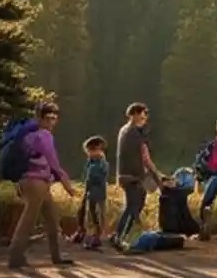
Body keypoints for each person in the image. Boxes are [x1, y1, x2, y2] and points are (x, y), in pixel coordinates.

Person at [7, 102, 77, 269]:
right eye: (48, 118)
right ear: (40, 117)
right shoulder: (43, 136)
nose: (52, 122)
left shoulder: (28, 135)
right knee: (29, 219)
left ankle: (57, 256)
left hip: (36, 182)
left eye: (54, 118)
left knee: (52, 219)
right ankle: (15, 257)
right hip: (35, 182)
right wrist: (67, 185)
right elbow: (53, 163)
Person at [113, 102, 168, 249]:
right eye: (143, 113)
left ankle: (122, 235)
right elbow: (145, 158)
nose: (145, 117)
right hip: (132, 177)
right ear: (135, 115)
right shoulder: (135, 133)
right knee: (133, 207)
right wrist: (158, 177)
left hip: (126, 175)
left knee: (135, 204)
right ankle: (119, 237)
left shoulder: (124, 130)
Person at [72, 136, 109, 249]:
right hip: (89, 191)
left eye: (91, 151)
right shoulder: (91, 162)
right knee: (83, 212)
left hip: (97, 192)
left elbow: (98, 176)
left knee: (96, 214)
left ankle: (97, 236)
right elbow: (86, 176)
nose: (89, 154)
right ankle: (82, 232)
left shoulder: (101, 163)